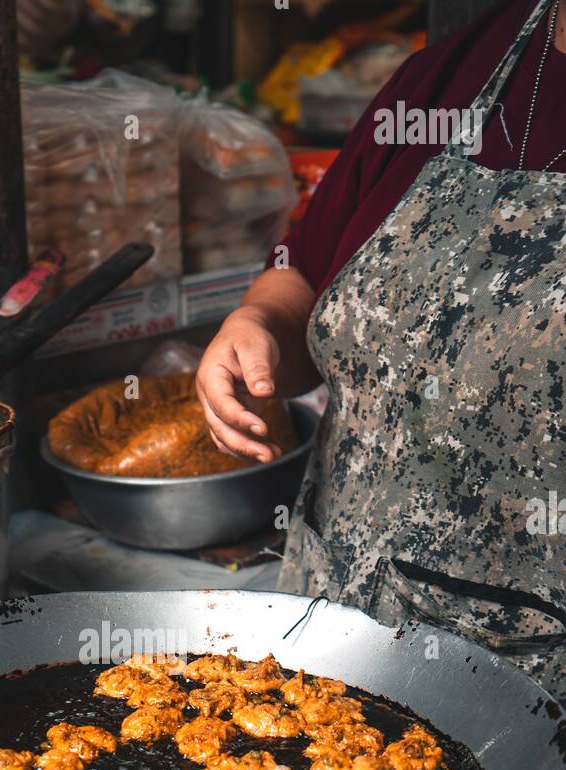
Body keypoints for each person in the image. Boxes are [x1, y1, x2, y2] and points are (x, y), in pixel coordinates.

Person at [196, 0, 566, 701]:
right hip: (331, 649)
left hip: (531, 693)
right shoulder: (445, 80)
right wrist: (259, 324)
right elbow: (307, 273)